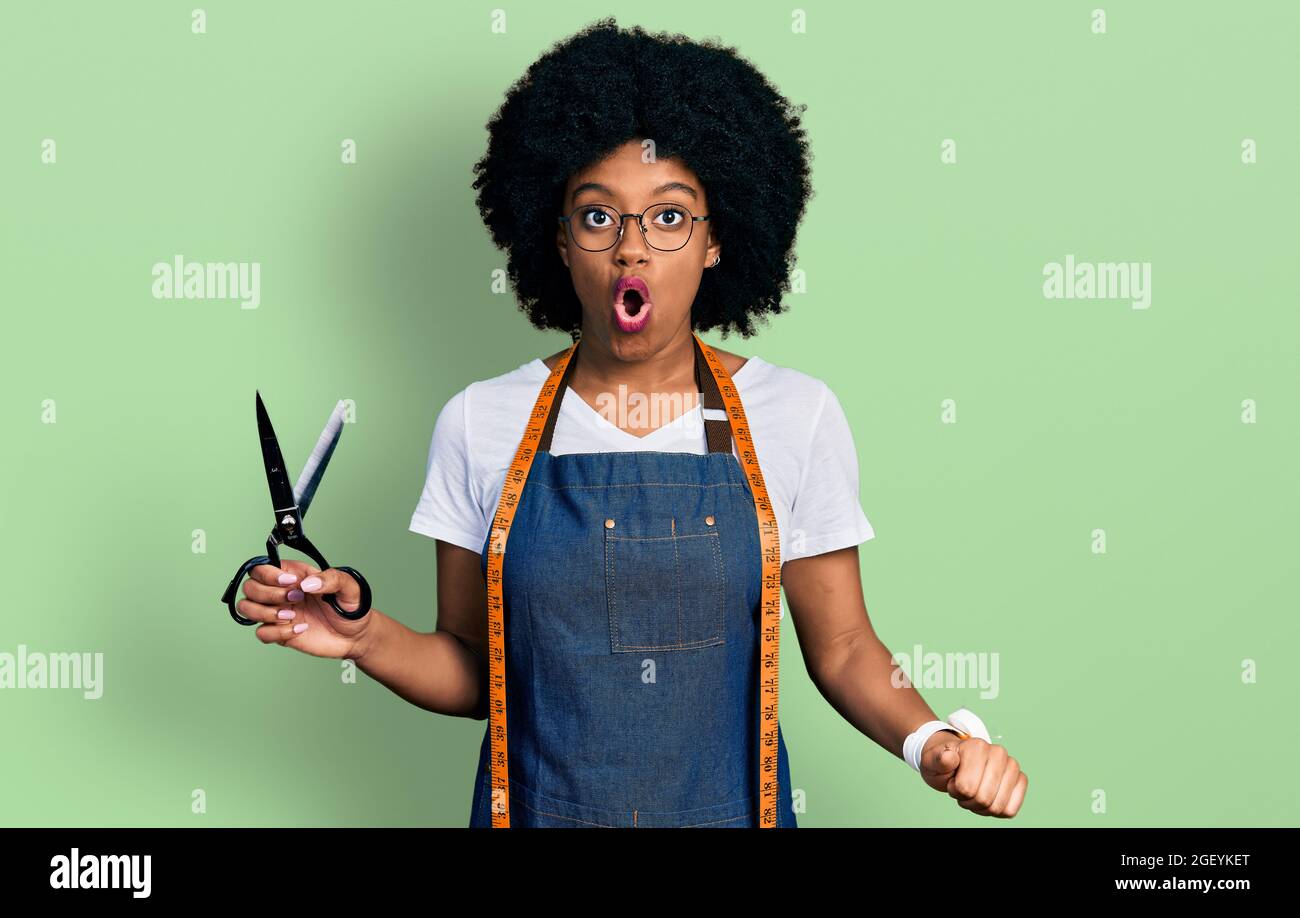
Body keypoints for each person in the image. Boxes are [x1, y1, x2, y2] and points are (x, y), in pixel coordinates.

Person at [234, 18, 1027, 827]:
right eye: (599, 217)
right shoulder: (480, 421)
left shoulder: (796, 415)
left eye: (670, 217)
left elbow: (847, 650)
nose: (632, 251)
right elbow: (476, 670)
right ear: (558, 239)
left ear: (717, 242)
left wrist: (935, 742)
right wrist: (363, 637)